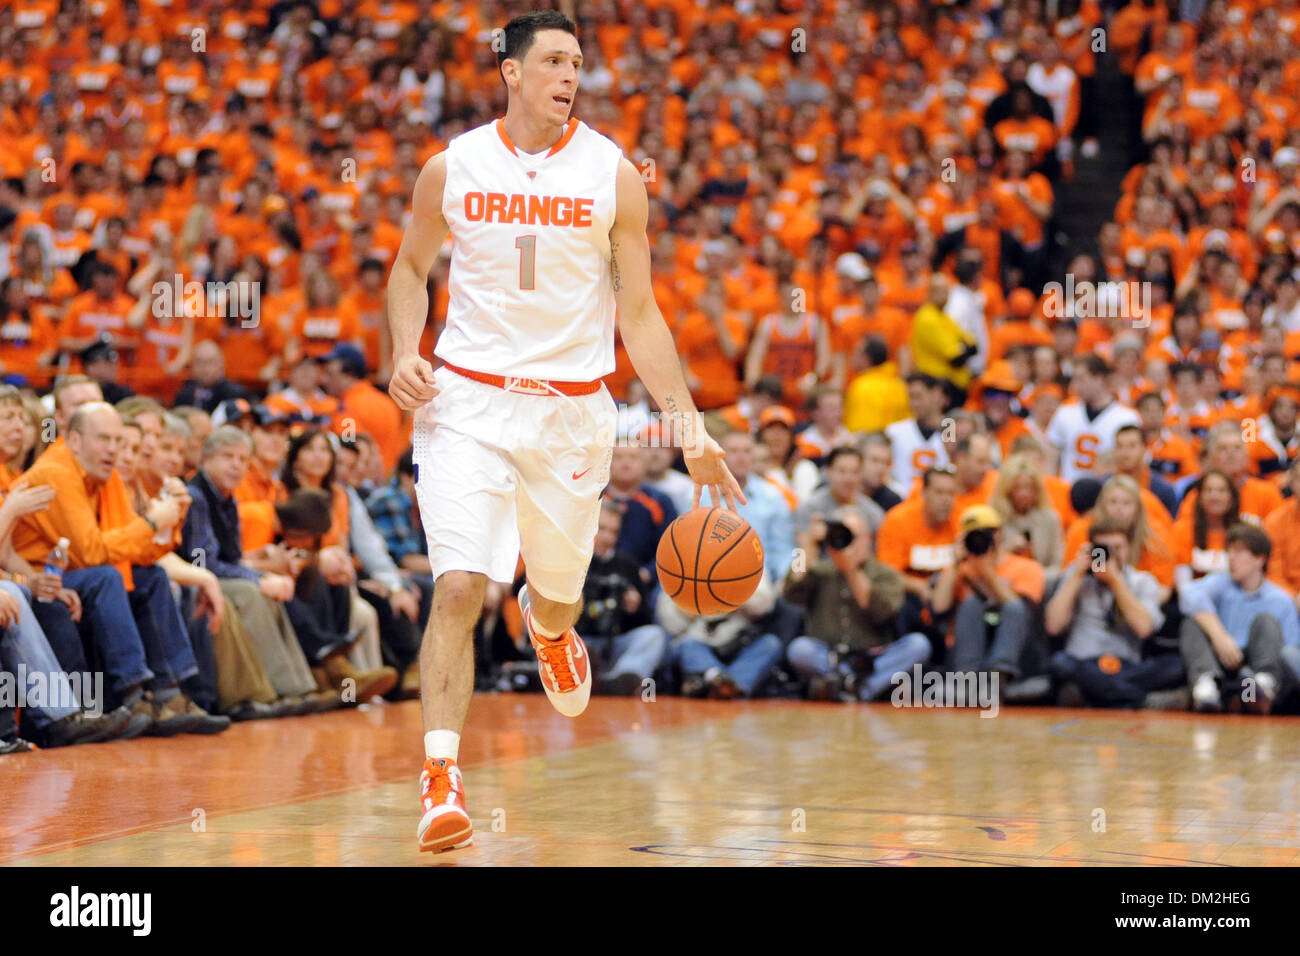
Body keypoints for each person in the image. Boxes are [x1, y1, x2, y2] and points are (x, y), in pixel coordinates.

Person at [385, 11, 742, 855]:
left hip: (572, 411)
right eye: (551, 60)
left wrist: (690, 429)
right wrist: (406, 348)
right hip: (465, 401)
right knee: (460, 586)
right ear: (509, 71)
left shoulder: (613, 174)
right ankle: (440, 780)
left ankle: (549, 627)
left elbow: (643, 315)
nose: (568, 74)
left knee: (555, 589)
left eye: (576, 62)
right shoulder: (452, 165)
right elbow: (408, 269)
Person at [784, 508, 929, 701]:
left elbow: (881, 612)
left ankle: (851, 687)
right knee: (800, 649)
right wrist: (807, 548)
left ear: (868, 539)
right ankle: (858, 686)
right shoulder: (821, 569)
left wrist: (850, 570)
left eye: (853, 536)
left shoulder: (884, 573)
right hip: (829, 656)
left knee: (919, 645)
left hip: (873, 658)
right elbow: (790, 591)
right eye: (843, 535)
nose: (848, 543)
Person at [1044, 517, 1184, 709]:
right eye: (1104, 549)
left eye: (1117, 548)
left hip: (1127, 666)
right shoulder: (1075, 575)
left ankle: (1094, 696)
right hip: (1083, 662)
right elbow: (1053, 626)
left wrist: (1115, 581)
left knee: (1175, 665)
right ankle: (1140, 700)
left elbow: (1144, 629)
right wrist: (1077, 575)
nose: (1111, 555)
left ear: (1129, 548)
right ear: (1092, 549)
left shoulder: (1142, 581)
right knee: (1060, 663)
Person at [1178, 524, 1300, 714]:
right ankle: (1207, 687)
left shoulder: (1280, 599)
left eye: (1239, 552)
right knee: (1191, 622)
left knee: (1266, 621)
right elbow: (1188, 593)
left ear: (1260, 559)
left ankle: (1260, 689)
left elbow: (1290, 649)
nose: (1231, 559)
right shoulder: (1221, 583)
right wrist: (1218, 636)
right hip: (1221, 666)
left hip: (1252, 671)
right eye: (1230, 552)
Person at [931, 505, 1046, 699]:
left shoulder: (1026, 568)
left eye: (984, 534)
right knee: (970, 604)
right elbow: (939, 607)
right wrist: (955, 563)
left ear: (999, 535)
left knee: (1014, 607)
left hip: (1014, 653)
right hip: (970, 648)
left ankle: (998, 679)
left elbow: (1021, 610)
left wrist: (988, 575)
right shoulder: (961, 569)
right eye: (972, 535)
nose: (979, 540)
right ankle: (967, 681)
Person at [578, 498, 669, 696]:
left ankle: (624, 677)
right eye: (601, 529)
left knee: (654, 635)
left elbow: (645, 619)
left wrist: (634, 606)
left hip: (614, 642)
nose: (607, 537)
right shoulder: (572, 561)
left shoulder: (627, 565)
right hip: (578, 642)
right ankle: (584, 674)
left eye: (614, 532)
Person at [1045, 355, 1139, 484]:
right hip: (1069, 491)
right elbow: (1050, 461)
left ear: (1099, 378)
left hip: (1109, 494)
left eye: (1081, 379)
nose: (1075, 386)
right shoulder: (1065, 412)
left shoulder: (1126, 417)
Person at [989, 452, 1064, 568]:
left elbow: (1057, 564)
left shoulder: (1050, 519)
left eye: (1028, 487)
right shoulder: (993, 520)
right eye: (1017, 487)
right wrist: (1009, 549)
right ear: (1006, 489)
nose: (1023, 493)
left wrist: (1036, 577)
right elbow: (986, 562)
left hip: (1045, 581)